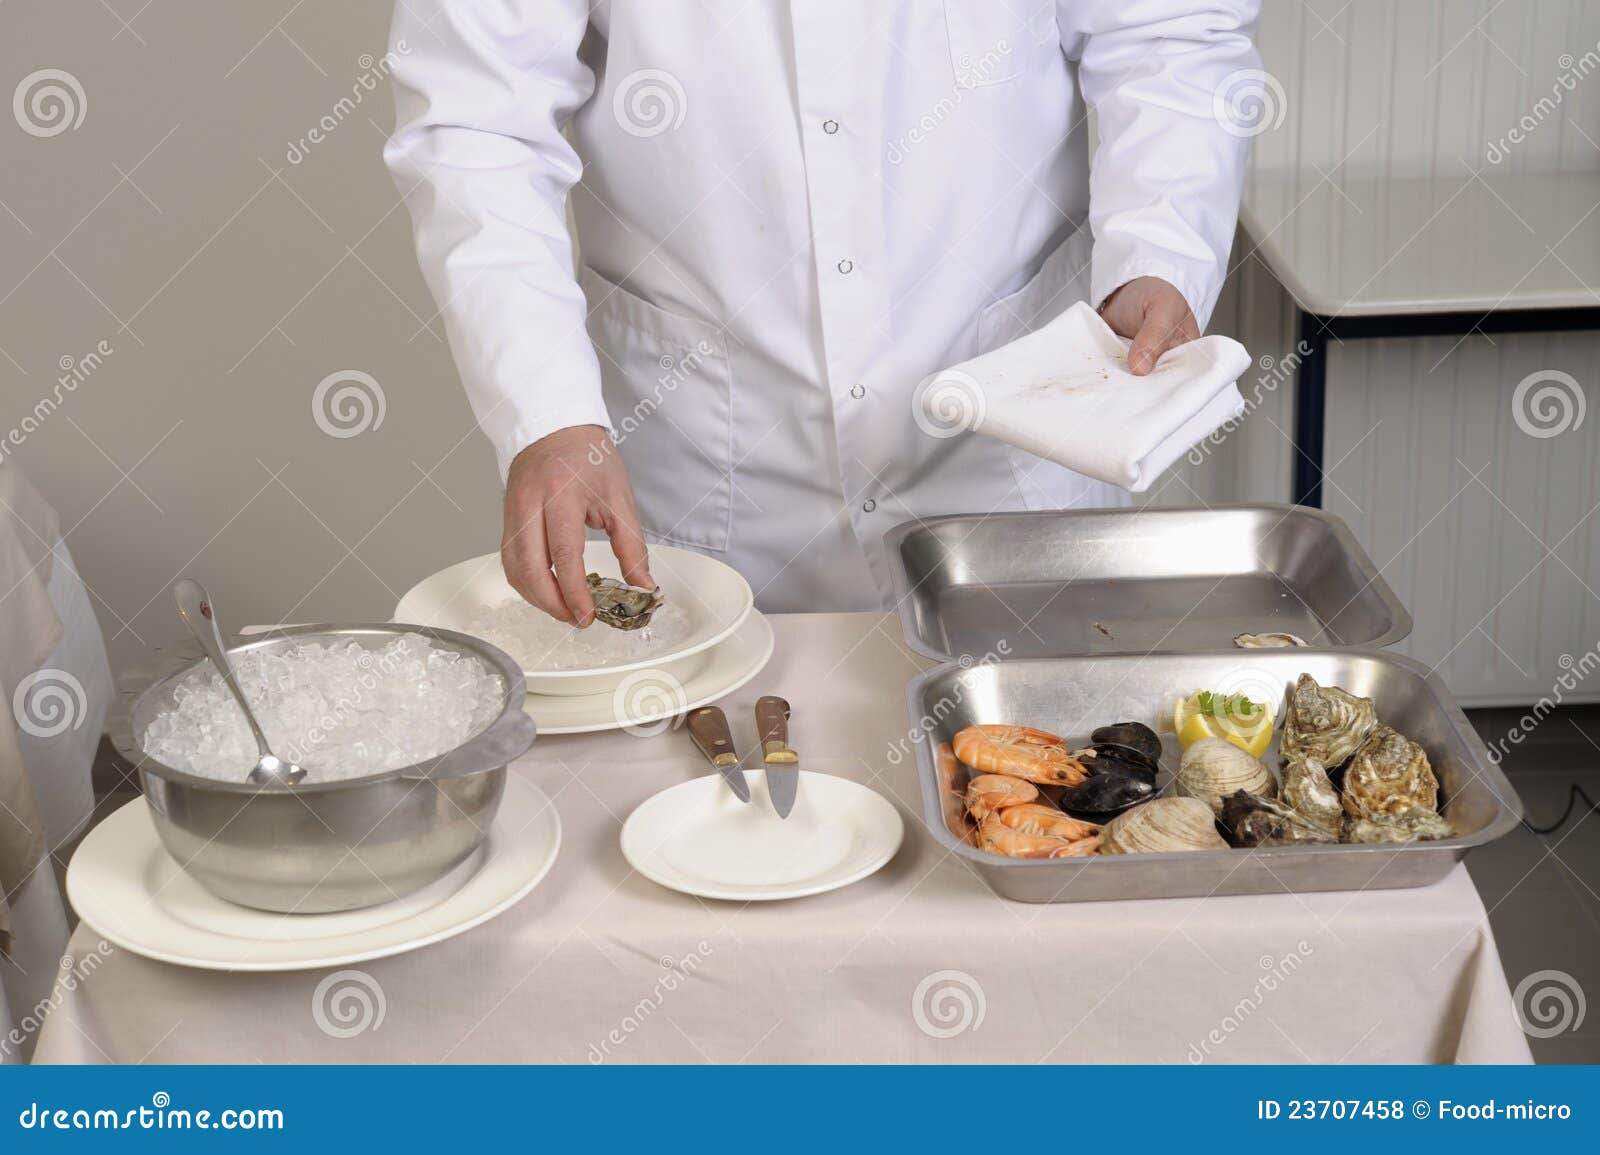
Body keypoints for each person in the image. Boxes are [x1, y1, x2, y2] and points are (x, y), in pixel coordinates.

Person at [386, 1, 1260, 624]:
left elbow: (1170, 34)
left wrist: (1160, 255)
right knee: (708, 826)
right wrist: (544, 409)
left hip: (1012, 433)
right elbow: (477, 121)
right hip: (708, 457)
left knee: (1037, 799)